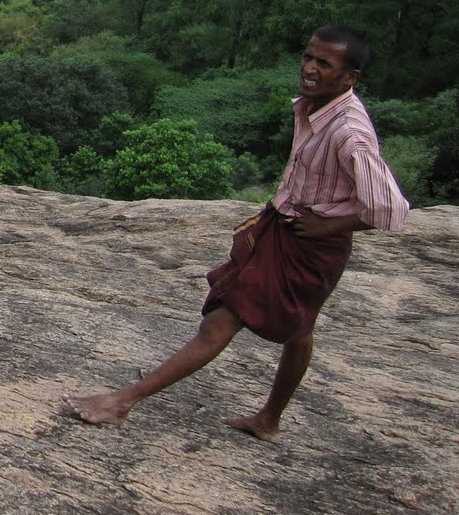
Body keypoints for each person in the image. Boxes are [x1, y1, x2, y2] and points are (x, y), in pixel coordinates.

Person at [67, 26, 409, 440]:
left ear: (350, 76)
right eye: (308, 57)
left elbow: (390, 208)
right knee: (299, 328)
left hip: (311, 244)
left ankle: (123, 401)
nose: (310, 68)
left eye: (324, 63)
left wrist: (329, 225)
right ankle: (269, 420)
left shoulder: (349, 131)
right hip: (284, 230)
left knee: (224, 319)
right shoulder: (317, 108)